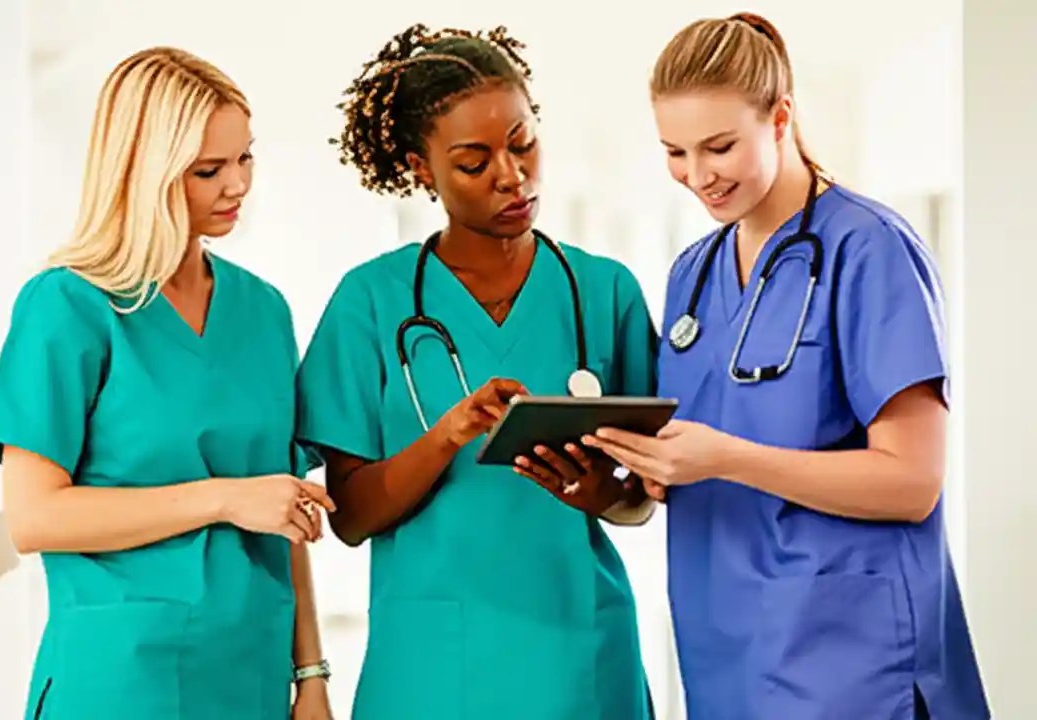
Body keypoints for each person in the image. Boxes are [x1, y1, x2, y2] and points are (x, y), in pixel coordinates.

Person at [580, 13, 991, 720]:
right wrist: (623, 480)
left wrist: (726, 457)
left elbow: (912, 481)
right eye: (675, 152)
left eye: (719, 147)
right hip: (726, 657)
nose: (697, 176)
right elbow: (692, 466)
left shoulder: (870, 251)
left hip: (851, 661)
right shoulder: (694, 275)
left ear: (781, 118)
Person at [297, 24, 658, 720]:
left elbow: (640, 499)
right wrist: (448, 435)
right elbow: (352, 516)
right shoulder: (372, 302)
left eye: (523, 143)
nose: (512, 176)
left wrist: (600, 494)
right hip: (433, 665)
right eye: (474, 161)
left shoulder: (603, 291)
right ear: (418, 167)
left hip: (581, 656)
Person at [0, 47, 336, 720]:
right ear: (145, 171)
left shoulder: (263, 312)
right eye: (208, 170)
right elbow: (34, 517)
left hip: (249, 676)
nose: (238, 186)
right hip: (120, 680)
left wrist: (311, 676)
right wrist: (222, 499)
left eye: (245, 158)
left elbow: (283, 508)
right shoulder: (68, 306)